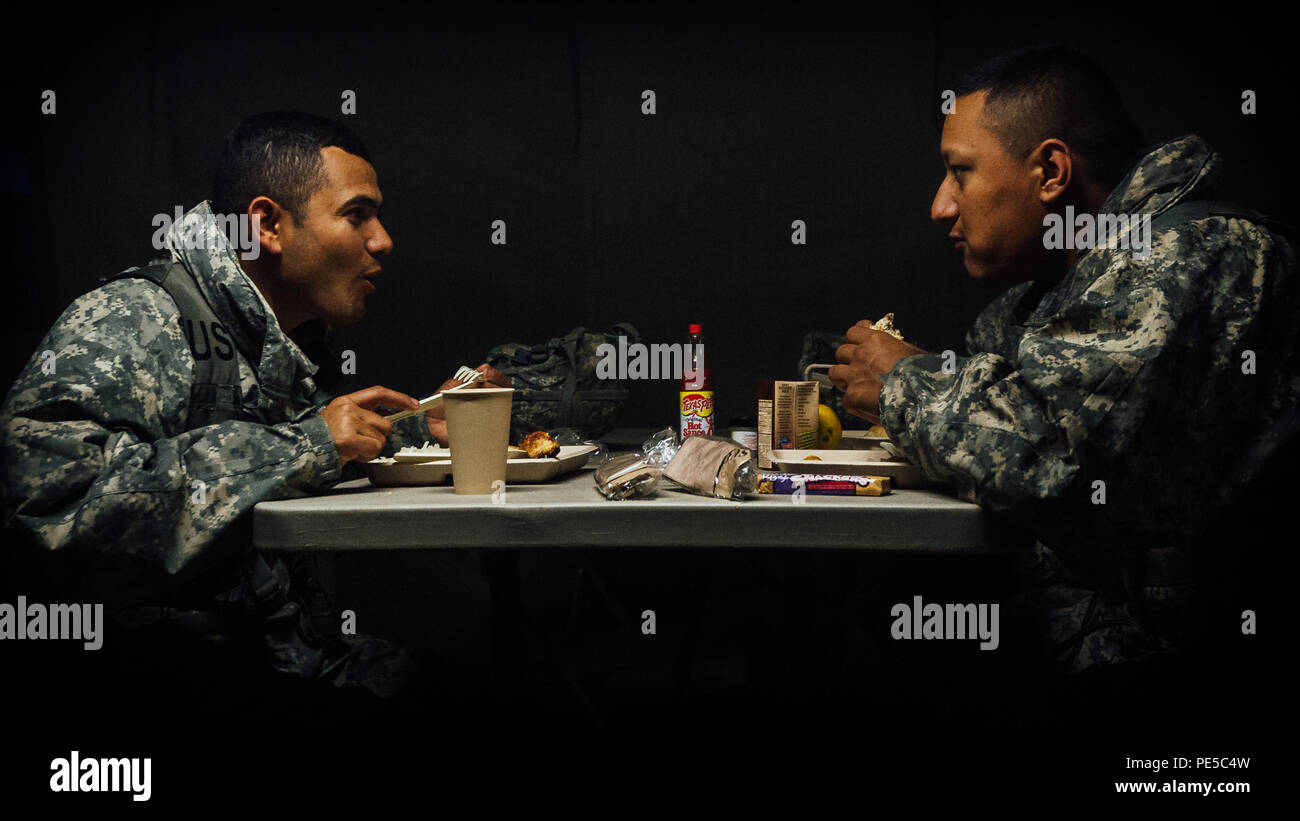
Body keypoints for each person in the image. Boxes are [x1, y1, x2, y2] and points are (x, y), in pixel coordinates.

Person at [0, 111, 509, 696]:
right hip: (169, 687)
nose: (383, 240)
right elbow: (50, 519)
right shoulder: (132, 319)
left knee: (505, 698)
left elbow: (282, 449)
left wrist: (419, 421)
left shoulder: (268, 338)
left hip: (287, 662)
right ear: (267, 224)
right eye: (356, 214)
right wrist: (310, 444)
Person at [828, 46, 1298, 673]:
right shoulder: (1062, 283)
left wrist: (901, 379)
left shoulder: (1191, 256)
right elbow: (992, 394)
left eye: (960, 172)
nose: (941, 205)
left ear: (1050, 171)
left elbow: (1047, 457)